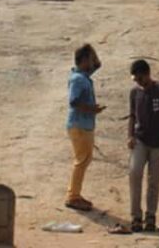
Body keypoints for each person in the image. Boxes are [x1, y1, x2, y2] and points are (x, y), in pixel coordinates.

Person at [127, 59, 159, 232]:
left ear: (147, 74)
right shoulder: (134, 93)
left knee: (153, 180)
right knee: (135, 173)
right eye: (136, 79)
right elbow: (132, 115)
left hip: (158, 143)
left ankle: (150, 215)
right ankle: (136, 216)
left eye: (140, 78)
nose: (138, 82)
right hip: (140, 140)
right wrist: (130, 135)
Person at [65, 44, 105, 212]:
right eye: (89, 58)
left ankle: (75, 194)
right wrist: (92, 109)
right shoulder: (78, 79)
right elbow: (73, 102)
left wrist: (91, 53)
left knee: (83, 159)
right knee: (82, 160)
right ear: (83, 60)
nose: (92, 62)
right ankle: (73, 196)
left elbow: (98, 65)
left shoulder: (81, 75)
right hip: (80, 125)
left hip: (83, 124)